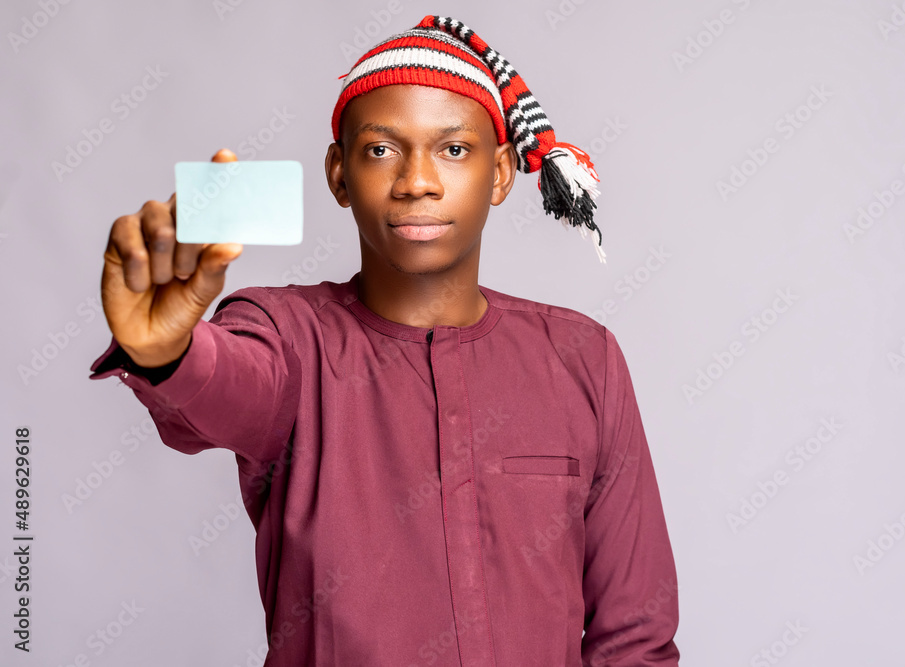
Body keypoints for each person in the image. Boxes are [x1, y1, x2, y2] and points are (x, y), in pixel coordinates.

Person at [89, 14, 680, 666]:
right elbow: (228, 383)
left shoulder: (583, 359)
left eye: (454, 149)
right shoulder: (288, 337)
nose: (417, 180)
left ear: (502, 174)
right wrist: (166, 349)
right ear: (339, 175)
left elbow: (636, 638)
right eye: (380, 150)